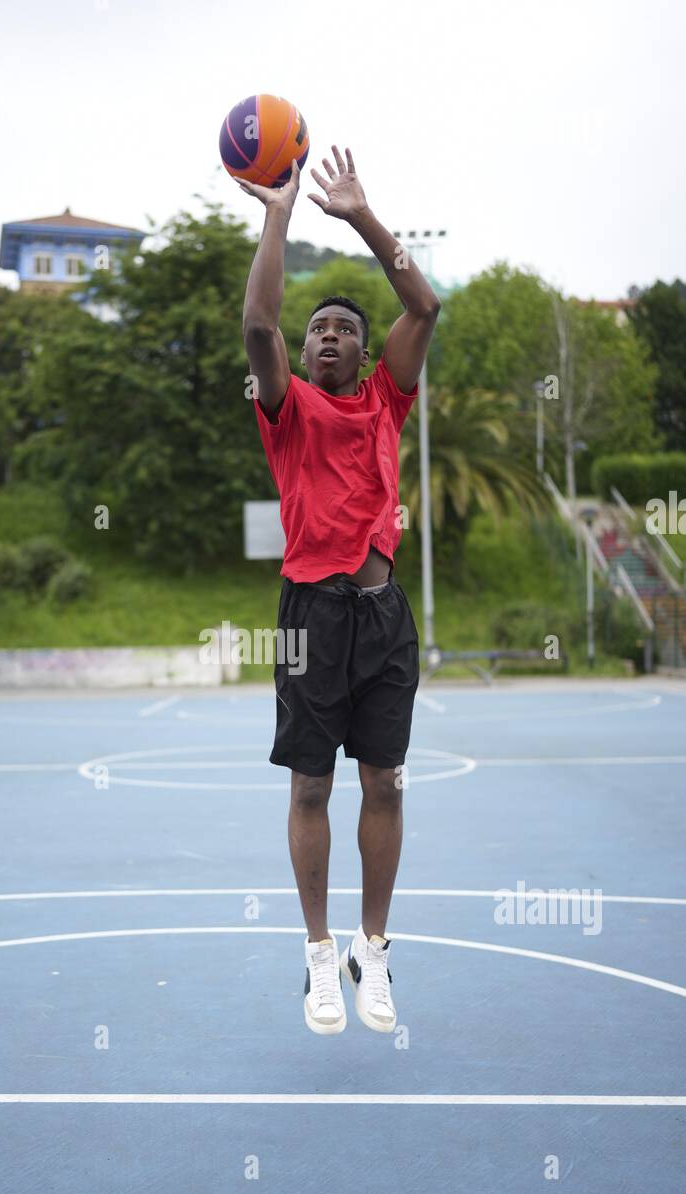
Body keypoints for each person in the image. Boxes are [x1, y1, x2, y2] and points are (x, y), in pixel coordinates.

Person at [236, 145, 440, 1036]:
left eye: (342, 327)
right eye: (316, 325)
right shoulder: (289, 409)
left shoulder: (386, 402)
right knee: (311, 790)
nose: (326, 333)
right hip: (309, 616)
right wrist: (279, 215)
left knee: (386, 783)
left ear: (364, 351)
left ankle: (374, 948)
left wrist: (358, 214)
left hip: (384, 615)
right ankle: (320, 954)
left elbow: (425, 304)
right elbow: (256, 325)